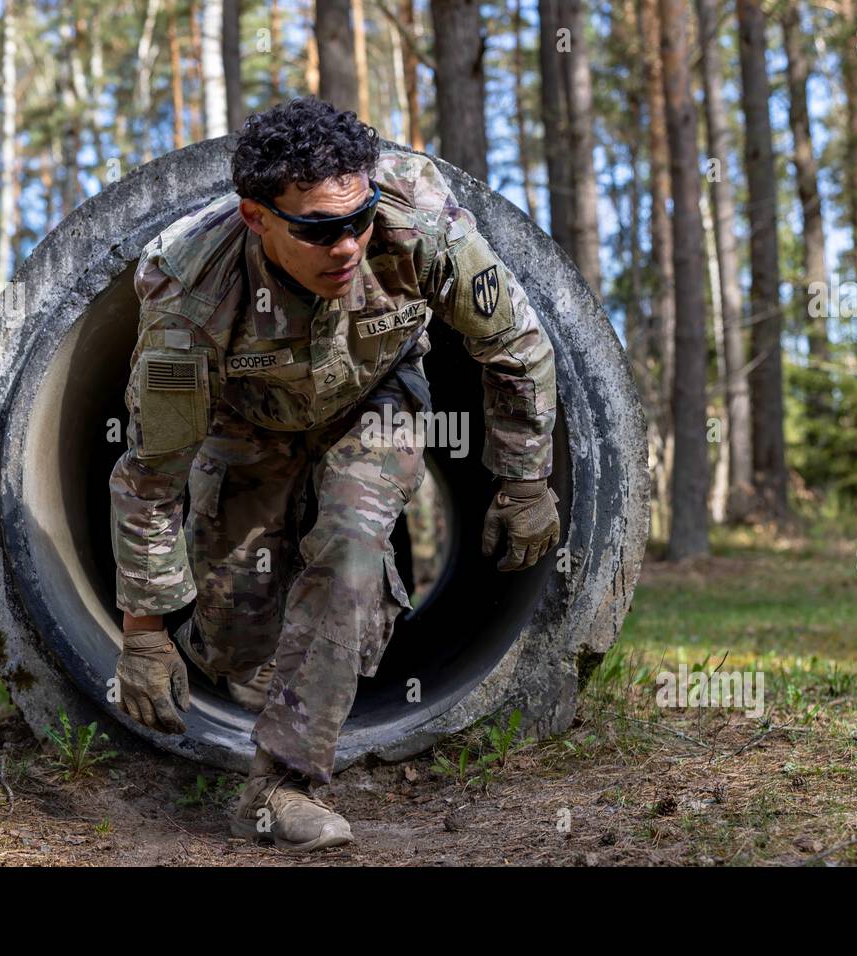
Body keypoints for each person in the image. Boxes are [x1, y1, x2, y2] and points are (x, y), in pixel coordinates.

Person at [108, 97, 559, 852]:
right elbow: (152, 472)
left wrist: (523, 480)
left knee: (348, 544)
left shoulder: (420, 221)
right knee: (232, 645)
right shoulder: (193, 292)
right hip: (245, 422)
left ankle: (283, 784)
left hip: (375, 398)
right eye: (318, 229)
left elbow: (515, 345)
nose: (347, 244)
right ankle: (296, 670)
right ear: (258, 217)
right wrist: (144, 633)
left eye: (359, 218)